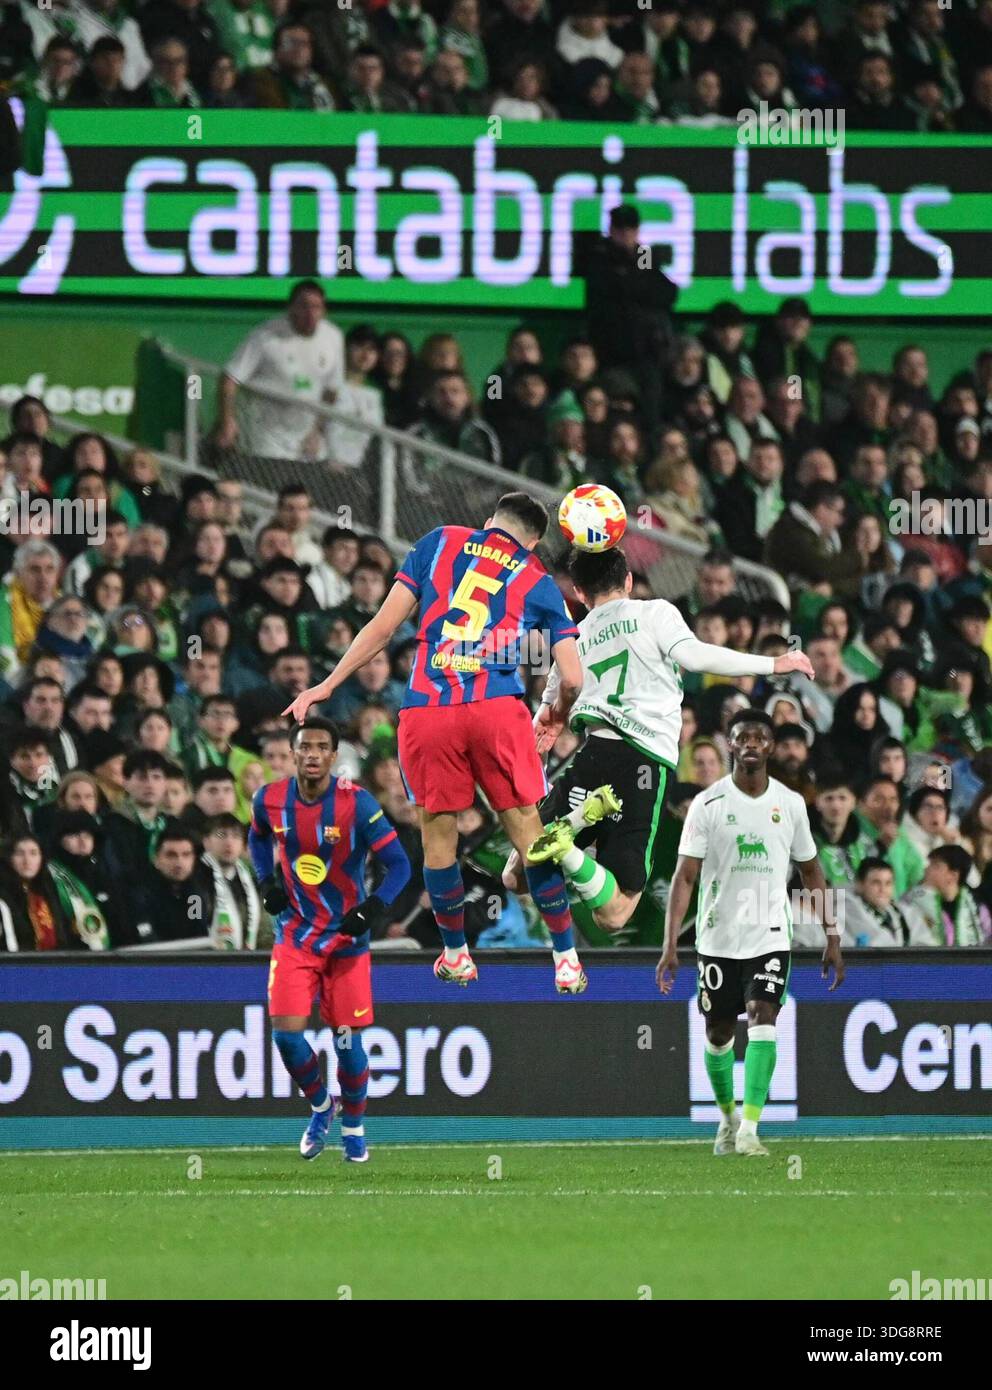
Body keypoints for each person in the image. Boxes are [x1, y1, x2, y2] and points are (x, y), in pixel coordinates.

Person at [283, 492, 590, 995]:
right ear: (533, 542)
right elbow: (572, 678)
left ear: (487, 521)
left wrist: (326, 685)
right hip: (496, 709)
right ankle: (567, 959)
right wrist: (555, 716)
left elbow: (383, 628)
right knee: (530, 836)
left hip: (429, 709)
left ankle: (455, 955)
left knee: (438, 837)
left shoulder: (439, 542)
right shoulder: (538, 580)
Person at [514, 546, 815, 941]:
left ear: (580, 593)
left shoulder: (573, 638)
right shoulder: (654, 612)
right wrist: (773, 663)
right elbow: (695, 656)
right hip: (642, 761)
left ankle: (569, 824)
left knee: (516, 875)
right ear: (628, 581)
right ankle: (569, 844)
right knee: (616, 913)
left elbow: (544, 719)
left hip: (590, 754)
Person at [657, 709, 844, 1157]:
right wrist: (669, 946)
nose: (752, 744)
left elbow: (811, 870)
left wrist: (831, 935)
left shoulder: (791, 804)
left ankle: (750, 1130)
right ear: (730, 744)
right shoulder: (708, 804)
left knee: (763, 1017)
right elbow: (685, 877)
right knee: (719, 1033)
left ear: (772, 747)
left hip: (771, 934)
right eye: (743, 737)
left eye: (761, 737)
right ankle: (727, 1118)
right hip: (718, 937)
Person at [248, 718, 411, 1164]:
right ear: (293, 753)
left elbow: (400, 866)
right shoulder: (270, 799)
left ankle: (355, 1126)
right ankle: (322, 1104)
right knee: (286, 1036)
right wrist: (266, 883)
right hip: (295, 935)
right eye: (306, 747)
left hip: (345, 941)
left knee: (347, 1043)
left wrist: (373, 910)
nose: (314, 754)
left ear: (335, 756)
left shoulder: (356, 804)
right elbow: (257, 838)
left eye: (323, 747)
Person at [214, 280, 345, 463]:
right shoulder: (265, 336)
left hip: (307, 440)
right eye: (304, 306)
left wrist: (318, 430)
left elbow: (331, 391)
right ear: (291, 307)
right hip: (266, 435)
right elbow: (229, 379)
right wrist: (227, 420)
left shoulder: (333, 337)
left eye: (316, 307)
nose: (310, 313)